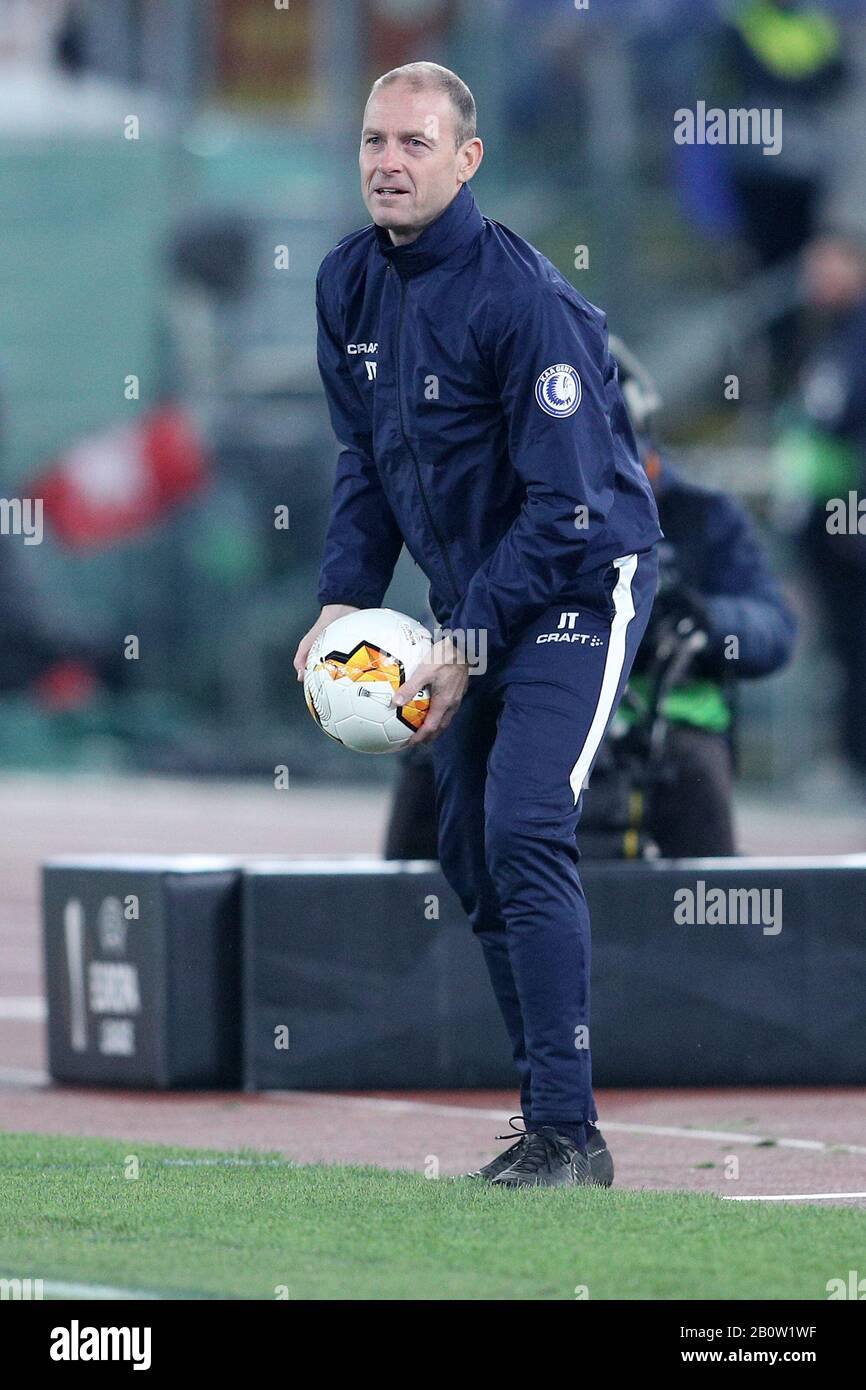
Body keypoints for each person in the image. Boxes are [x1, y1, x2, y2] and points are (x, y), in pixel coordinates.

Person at [294, 62, 662, 1189]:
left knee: (522, 822)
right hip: (470, 603)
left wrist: (463, 641)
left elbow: (568, 510)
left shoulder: (525, 300)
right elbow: (365, 461)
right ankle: (547, 1121)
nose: (387, 162)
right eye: (373, 141)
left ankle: (568, 1133)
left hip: (578, 586)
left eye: (414, 143)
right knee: (464, 849)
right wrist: (341, 600)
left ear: (467, 160)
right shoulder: (346, 281)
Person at [384, 339, 798, 861]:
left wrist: (703, 621)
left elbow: (774, 630)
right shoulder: (498, 509)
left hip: (656, 719)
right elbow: (445, 614)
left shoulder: (705, 516)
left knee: (693, 762)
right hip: (524, 701)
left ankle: (707, 904)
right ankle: (414, 898)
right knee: (435, 749)